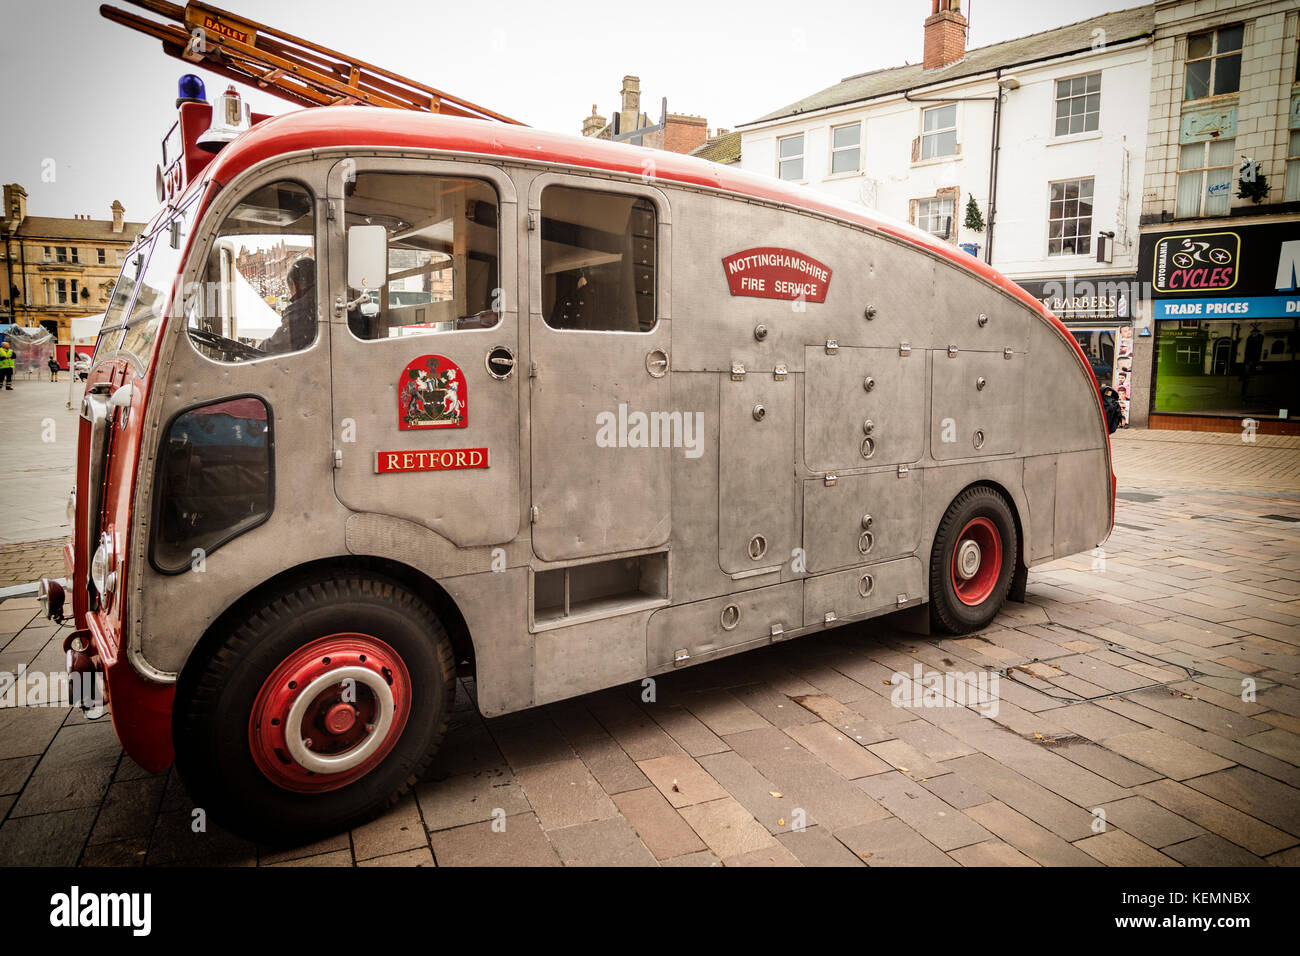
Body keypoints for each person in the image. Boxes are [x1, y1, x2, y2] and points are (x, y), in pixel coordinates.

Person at [262, 257, 316, 355]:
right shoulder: (328, 300)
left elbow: (275, 347)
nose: (293, 300)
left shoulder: (303, 310)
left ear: (294, 285)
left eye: (292, 295)